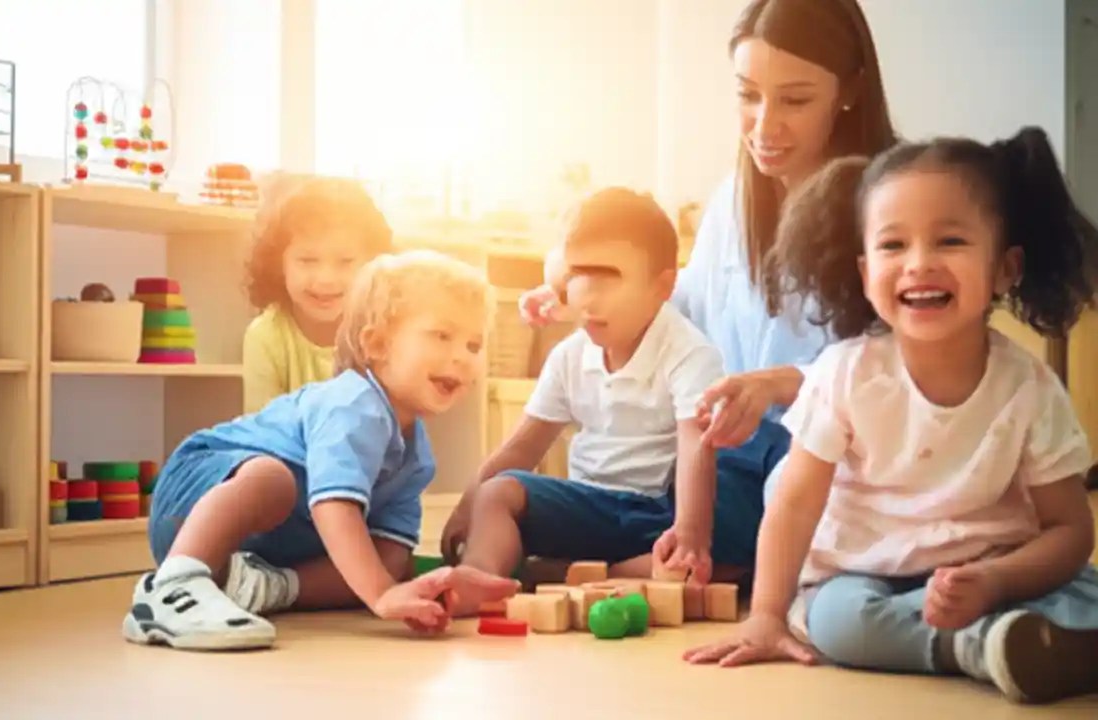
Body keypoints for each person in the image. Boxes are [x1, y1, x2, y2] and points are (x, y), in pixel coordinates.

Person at [685, 127, 1098, 705]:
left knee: (1085, 591)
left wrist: (996, 580)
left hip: (992, 575)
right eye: (893, 245)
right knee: (839, 622)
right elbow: (794, 504)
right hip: (866, 577)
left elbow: (1071, 531)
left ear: (1005, 269)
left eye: (950, 241)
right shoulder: (846, 373)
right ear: (863, 272)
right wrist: (768, 616)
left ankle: (1028, 638)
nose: (919, 264)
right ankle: (979, 647)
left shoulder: (1029, 386)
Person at [503, 0, 899, 572]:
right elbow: (678, 306)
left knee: (770, 512)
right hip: (728, 453)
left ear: (849, 90)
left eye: (795, 99)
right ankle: (610, 566)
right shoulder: (733, 205)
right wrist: (583, 296)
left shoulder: (885, 206)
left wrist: (781, 383)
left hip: (828, 452)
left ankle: (593, 572)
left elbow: (903, 363)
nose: (765, 126)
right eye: (747, 95)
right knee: (669, 504)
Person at [127, 250, 519, 651]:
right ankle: (172, 585)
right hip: (196, 499)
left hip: (264, 546)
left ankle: (263, 589)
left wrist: (419, 587)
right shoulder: (353, 403)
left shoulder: (415, 455)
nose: (461, 356)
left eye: (473, 344)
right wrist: (382, 594)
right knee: (273, 480)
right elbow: (334, 507)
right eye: (441, 335)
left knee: (390, 558)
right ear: (378, 344)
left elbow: (389, 556)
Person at [444, 187, 726, 595]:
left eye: (609, 279)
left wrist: (689, 535)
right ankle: (480, 578)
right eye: (577, 277)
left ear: (662, 287)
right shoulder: (569, 356)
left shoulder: (689, 353)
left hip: (652, 515)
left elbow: (697, 450)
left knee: (709, 554)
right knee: (497, 492)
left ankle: (574, 573)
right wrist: (466, 506)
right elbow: (521, 448)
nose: (589, 299)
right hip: (585, 507)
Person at [242, 176, 394, 413]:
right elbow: (261, 433)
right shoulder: (267, 336)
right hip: (286, 449)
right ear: (278, 264)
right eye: (307, 260)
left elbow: (395, 428)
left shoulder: (386, 332)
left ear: (373, 263)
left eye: (345, 262)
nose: (325, 279)